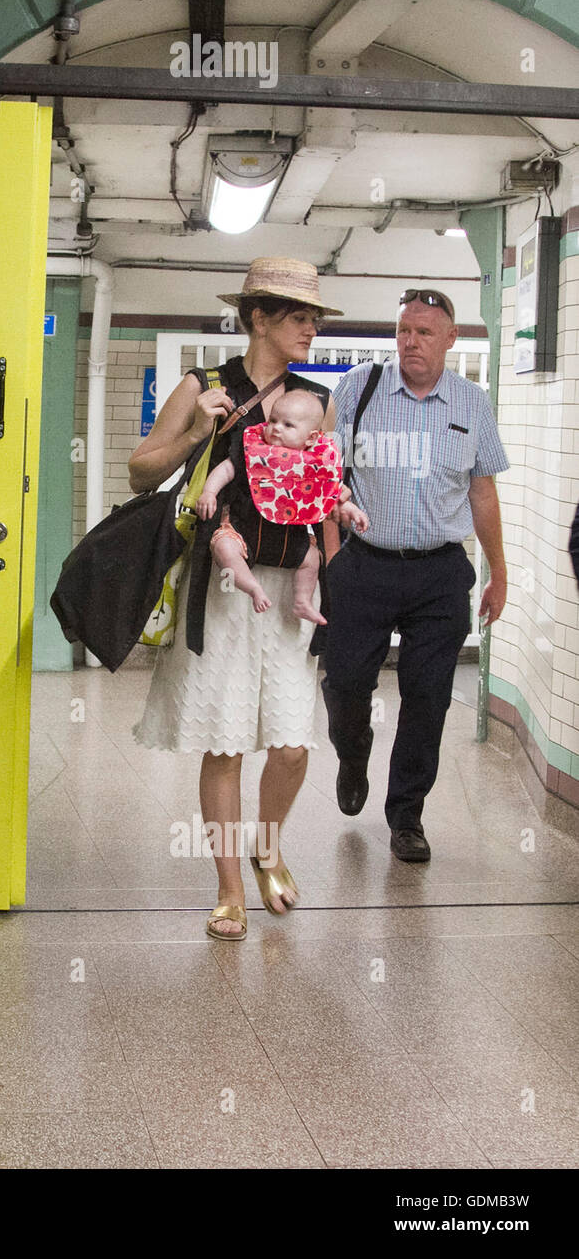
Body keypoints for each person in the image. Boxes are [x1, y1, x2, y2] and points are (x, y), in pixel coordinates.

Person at [129, 257, 341, 940]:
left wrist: (339, 579)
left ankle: (268, 844)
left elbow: (327, 493)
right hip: (220, 582)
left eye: (313, 317)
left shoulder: (316, 398)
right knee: (223, 744)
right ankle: (228, 890)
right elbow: (141, 470)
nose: (311, 328)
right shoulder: (205, 384)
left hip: (290, 586)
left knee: (292, 744)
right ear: (258, 319)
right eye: (300, 317)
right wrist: (197, 431)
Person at [321, 288, 509, 863]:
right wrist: (332, 559)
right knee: (345, 682)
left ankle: (407, 815)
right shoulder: (359, 387)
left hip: (439, 573)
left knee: (427, 698)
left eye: (425, 332)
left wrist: (498, 572)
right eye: (404, 330)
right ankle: (353, 754)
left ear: (451, 339)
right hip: (363, 563)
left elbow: (482, 490)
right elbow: (325, 475)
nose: (411, 342)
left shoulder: (472, 404)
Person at [197, 387, 369, 623]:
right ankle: (252, 587)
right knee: (224, 548)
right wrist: (209, 492)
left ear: (310, 438)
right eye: (273, 420)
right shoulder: (253, 449)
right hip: (243, 530)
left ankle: (302, 602)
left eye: (288, 425)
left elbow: (330, 493)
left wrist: (351, 509)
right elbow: (227, 468)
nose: (276, 427)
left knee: (312, 559)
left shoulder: (315, 463)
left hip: (289, 540)